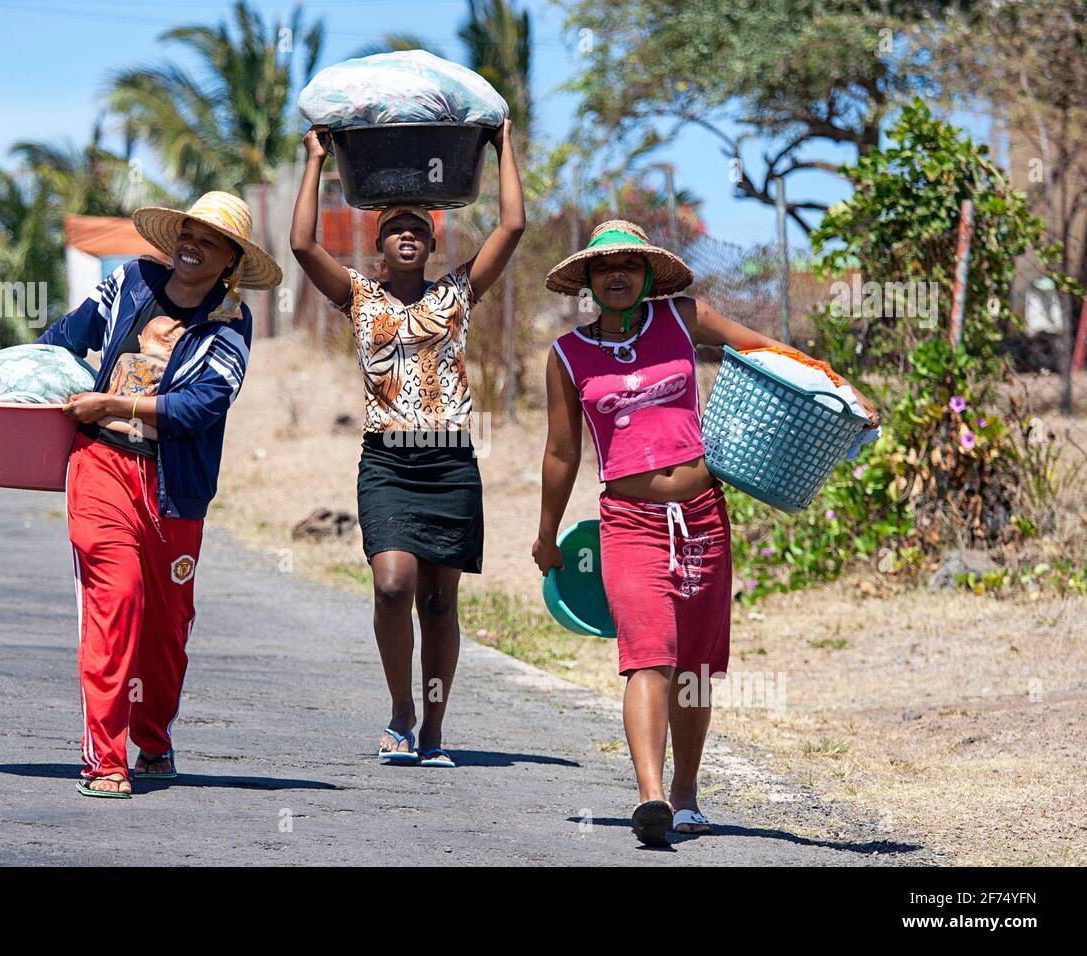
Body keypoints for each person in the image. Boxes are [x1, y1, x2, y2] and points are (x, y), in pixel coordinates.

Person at [532, 220, 878, 844]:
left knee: (693, 667)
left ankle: (688, 793)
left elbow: (764, 349)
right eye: (604, 267)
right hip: (628, 523)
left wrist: (837, 385)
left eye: (629, 266)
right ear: (587, 280)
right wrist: (545, 534)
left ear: (645, 276)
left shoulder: (683, 319)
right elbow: (561, 454)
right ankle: (651, 797)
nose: (617, 276)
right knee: (649, 656)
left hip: (702, 518)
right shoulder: (566, 355)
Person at [290, 120, 524, 767]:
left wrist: (505, 148)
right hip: (389, 461)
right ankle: (400, 709)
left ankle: (435, 731)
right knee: (393, 585)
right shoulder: (358, 298)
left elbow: (513, 229)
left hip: (450, 461)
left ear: (432, 241)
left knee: (441, 604)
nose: (409, 236)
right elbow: (302, 243)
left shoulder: (458, 294)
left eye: (420, 229)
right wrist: (317, 160)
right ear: (379, 244)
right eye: (397, 229)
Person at [39, 192, 282, 798]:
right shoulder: (131, 280)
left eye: (209, 239)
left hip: (176, 491)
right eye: (187, 231)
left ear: (230, 260)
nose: (191, 243)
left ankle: (153, 738)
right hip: (100, 466)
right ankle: (104, 758)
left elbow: (204, 404)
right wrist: (31, 387)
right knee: (114, 603)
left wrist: (117, 402)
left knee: (167, 629)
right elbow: (64, 337)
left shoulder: (231, 322)